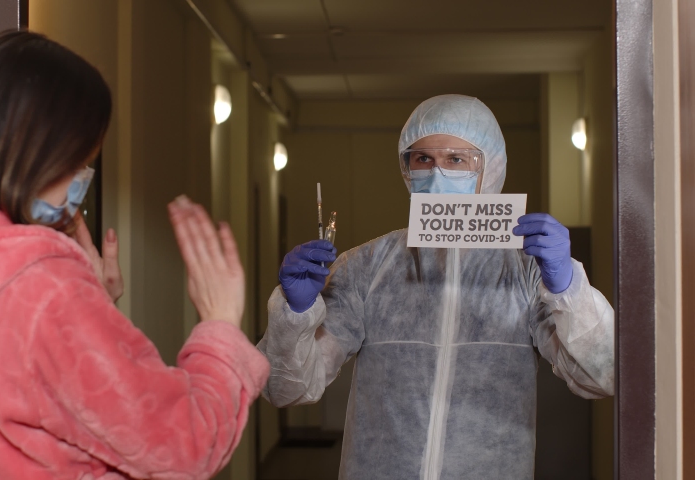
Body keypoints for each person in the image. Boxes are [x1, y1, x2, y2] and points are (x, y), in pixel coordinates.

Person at [0, 31, 268, 480]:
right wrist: (220, 325)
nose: (82, 179)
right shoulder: (45, 292)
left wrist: (91, 305)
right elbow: (186, 445)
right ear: (36, 150)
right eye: (77, 161)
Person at [257, 94, 614, 479]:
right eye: (423, 159)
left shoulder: (527, 273)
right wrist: (294, 314)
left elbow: (601, 376)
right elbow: (287, 389)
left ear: (491, 167)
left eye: (457, 159)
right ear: (406, 168)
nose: (437, 173)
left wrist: (568, 290)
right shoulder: (368, 267)